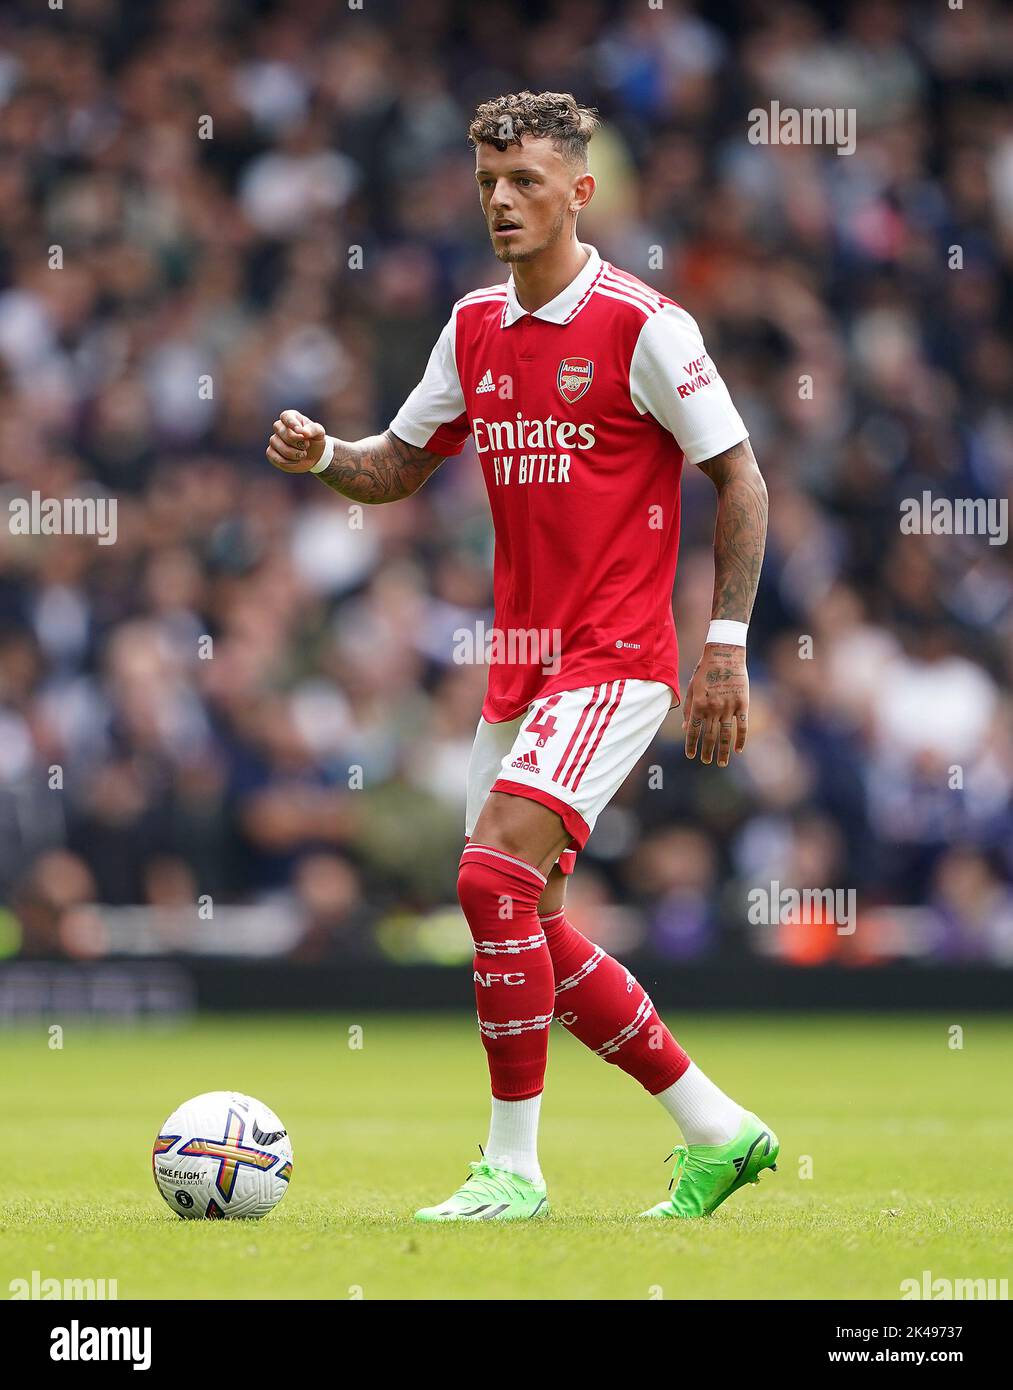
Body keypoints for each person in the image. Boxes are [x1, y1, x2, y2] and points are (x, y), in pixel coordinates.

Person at [266, 91, 776, 1221]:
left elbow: (738, 476)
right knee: (524, 922)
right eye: (488, 180)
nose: (501, 200)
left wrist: (723, 647)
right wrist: (322, 457)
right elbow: (395, 467)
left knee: (486, 877)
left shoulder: (647, 327)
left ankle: (512, 1168)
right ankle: (718, 1129)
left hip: (617, 657)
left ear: (579, 193)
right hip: (521, 668)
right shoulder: (472, 328)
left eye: (526, 182)